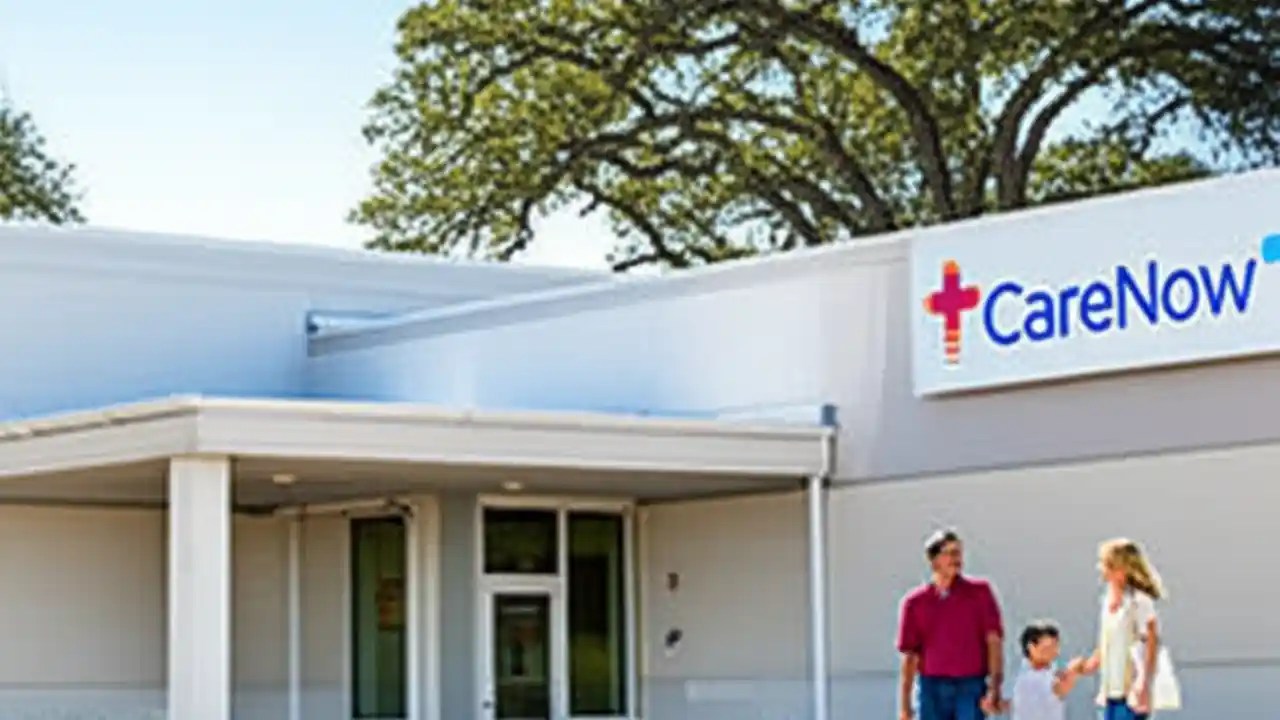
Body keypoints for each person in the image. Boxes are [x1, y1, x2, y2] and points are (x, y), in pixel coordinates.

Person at [897, 528, 1005, 720]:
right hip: (932, 687)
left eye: (959, 553)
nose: (957, 559)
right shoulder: (915, 603)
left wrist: (994, 687)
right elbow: (910, 654)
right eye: (950, 553)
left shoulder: (980, 594)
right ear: (934, 560)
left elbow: (994, 641)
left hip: (970, 685)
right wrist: (905, 705)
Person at [1074, 538, 1166, 720]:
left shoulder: (1139, 601)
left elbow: (1151, 642)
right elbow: (1107, 643)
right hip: (1109, 693)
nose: (1102, 569)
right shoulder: (1107, 601)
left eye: (1106, 564)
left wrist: (1143, 684)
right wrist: (1087, 665)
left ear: (1121, 569)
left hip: (1131, 693)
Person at [1006, 620, 1082, 720]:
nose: (1054, 652)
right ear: (1032, 647)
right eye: (1048, 647)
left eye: (1056, 647)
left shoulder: (1053, 672)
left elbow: (1060, 687)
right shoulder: (1020, 675)